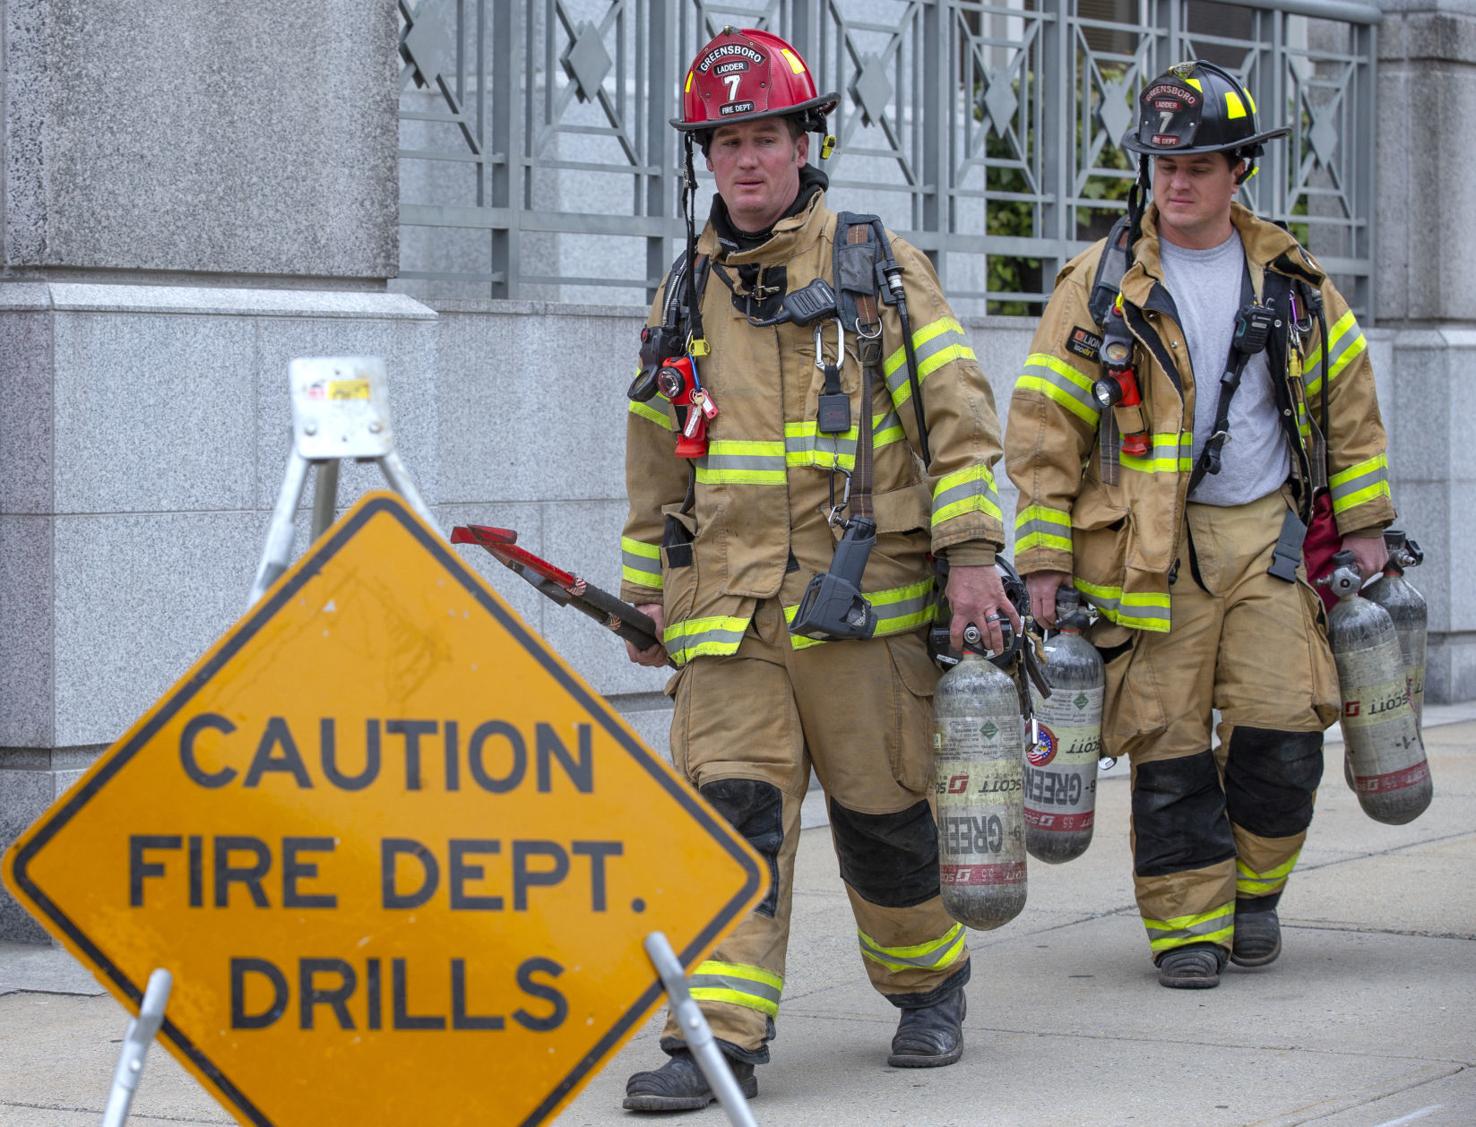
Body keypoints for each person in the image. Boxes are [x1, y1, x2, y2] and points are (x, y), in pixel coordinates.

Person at [617, 26, 1018, 1112]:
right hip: (728, 623)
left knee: (883, 818)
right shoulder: (684, 291)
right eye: (725, 141)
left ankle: (929, 983)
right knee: (729, 823)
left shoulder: (875, 264)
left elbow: (963, 422)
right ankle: (715, 1039)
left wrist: (974, 556)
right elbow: (655, 457)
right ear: (706, 157)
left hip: (868, 618)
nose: (745, 160)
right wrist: (647, 592)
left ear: (805, 141)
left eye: (764, 136)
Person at [1005, 60, 1394, 990]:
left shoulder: (1297, 282)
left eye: (1199, 166)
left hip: (1268, 541)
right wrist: (1046, 559)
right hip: (1147, 555)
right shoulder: (1098, 288)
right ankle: (1187, 928)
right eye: (1162, 166)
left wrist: (1371, 523)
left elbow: (1351, 408)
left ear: (1238, 171)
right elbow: (1043, 433)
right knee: (1167, 744)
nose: (1176, 184)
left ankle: (1252, 896)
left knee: (1285, 734)